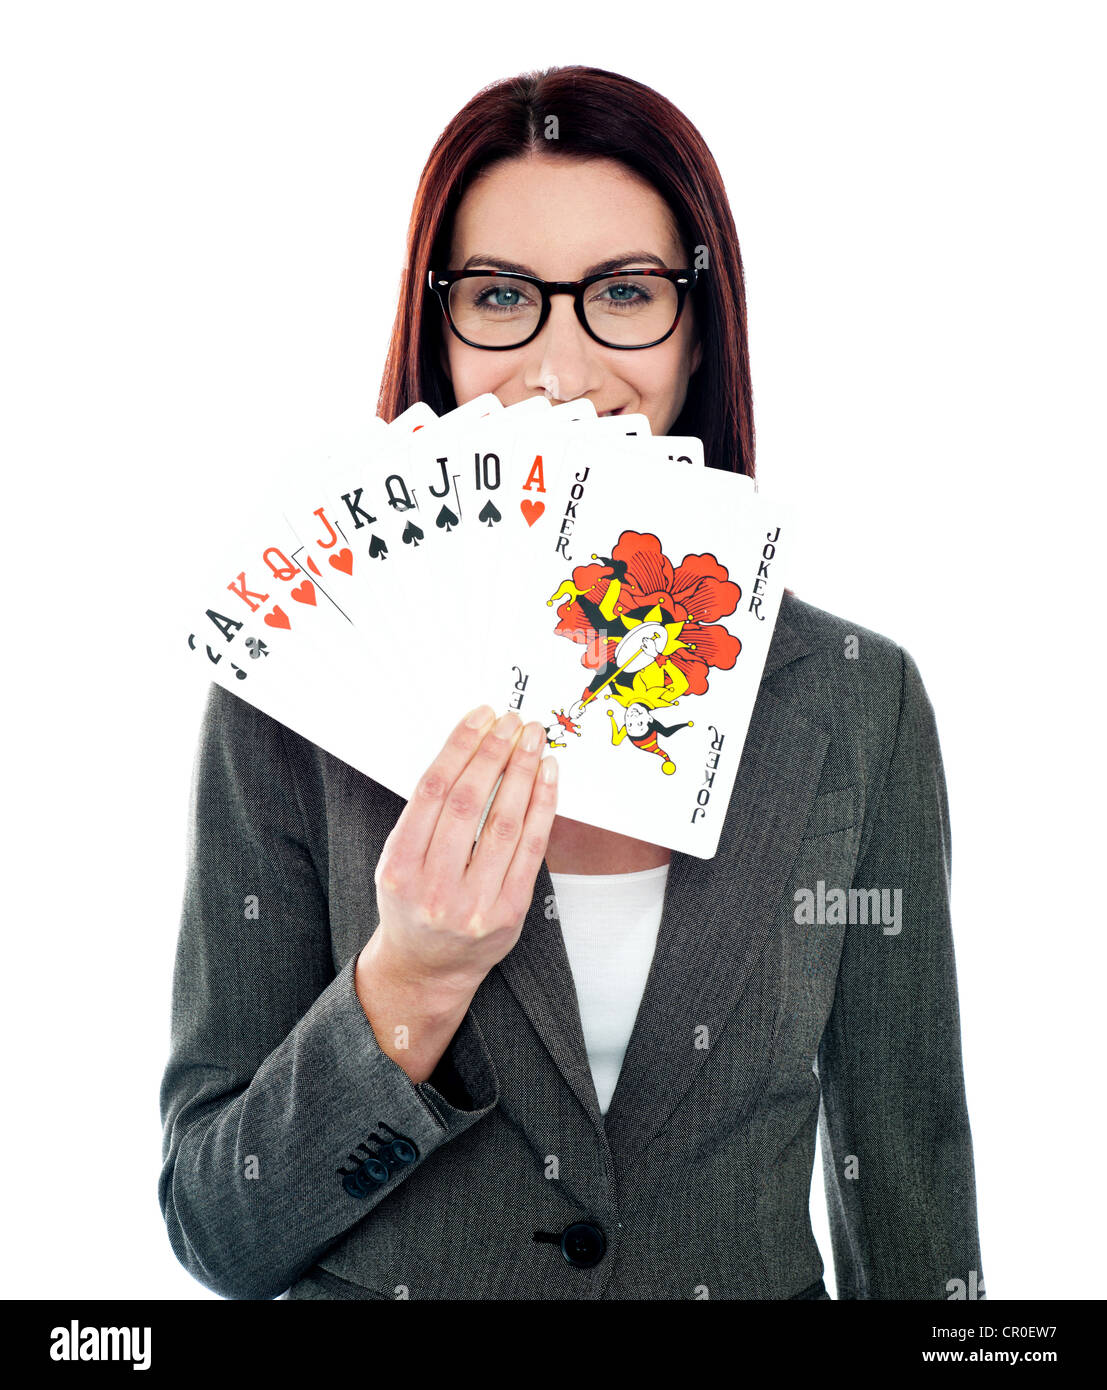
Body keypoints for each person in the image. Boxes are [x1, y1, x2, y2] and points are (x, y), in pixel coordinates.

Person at [159, 65, 984, 1301]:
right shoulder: (290, 699)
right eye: (499, 296)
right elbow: (218, 1229)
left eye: (624, 293)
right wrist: (414, 979)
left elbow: (906, 1183)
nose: (561, 366)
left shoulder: (858, 702)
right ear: (433, 329)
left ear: (701, 324)